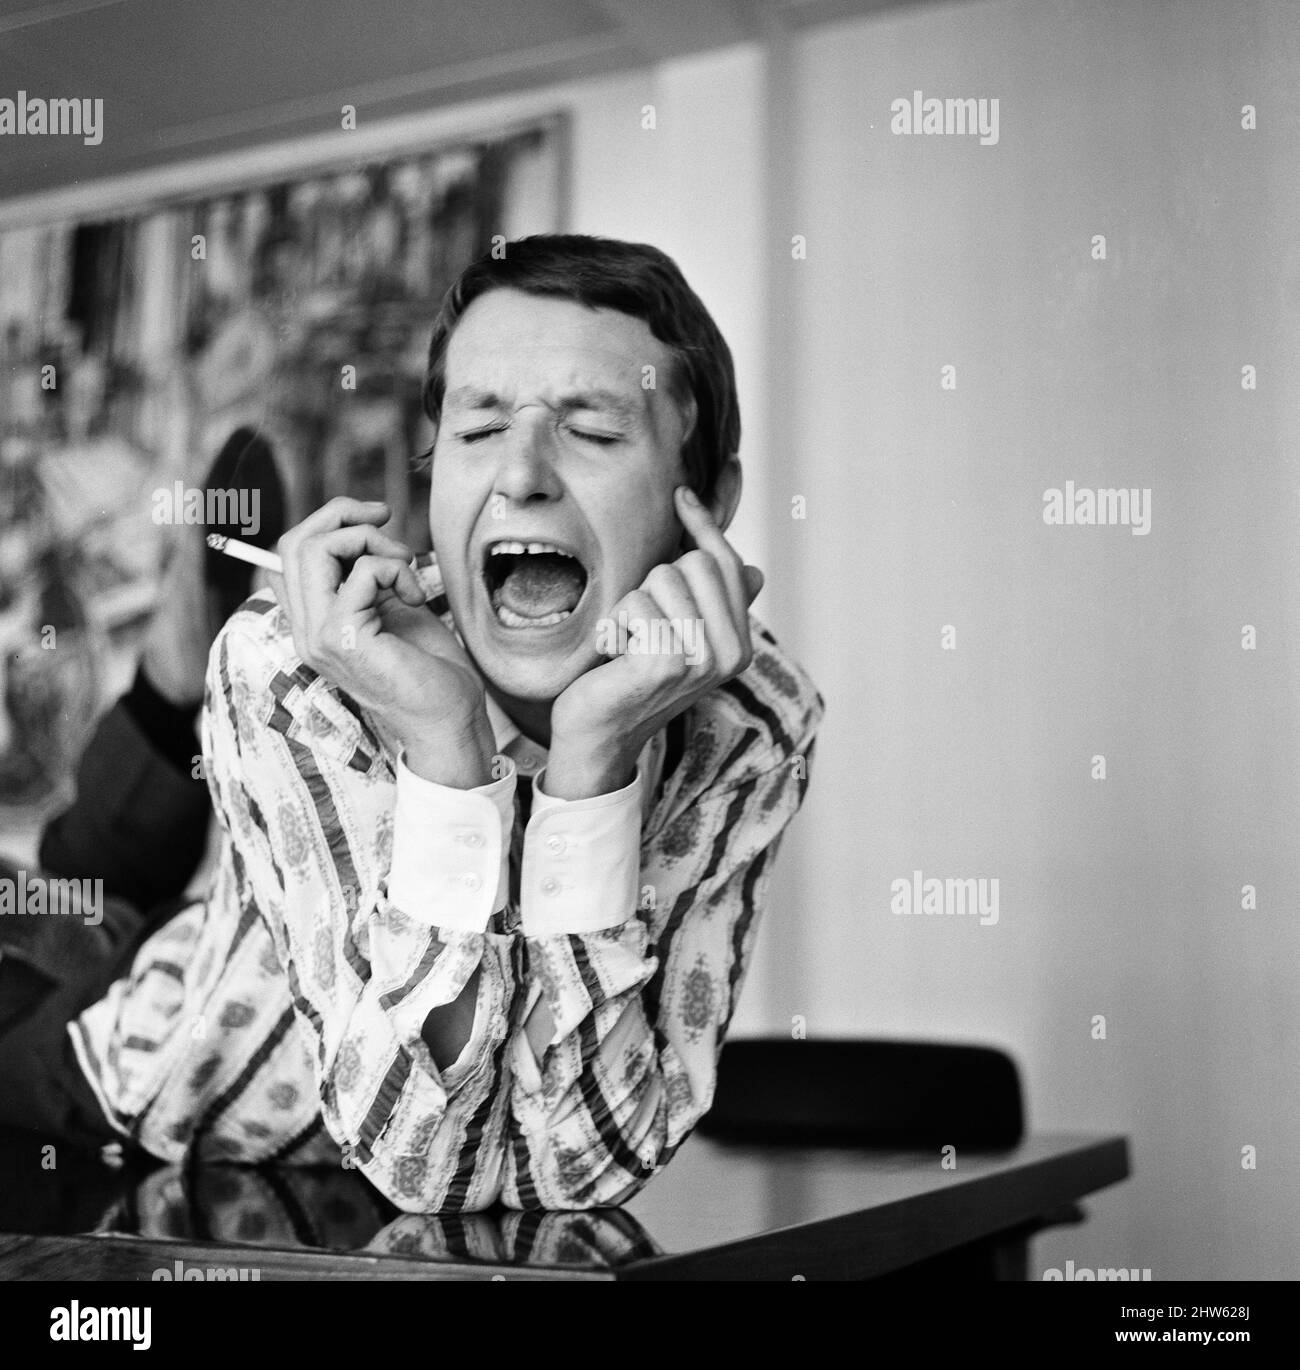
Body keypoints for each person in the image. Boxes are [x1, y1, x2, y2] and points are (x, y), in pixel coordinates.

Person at [2, 236, 822, 1213]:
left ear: (712, 508)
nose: (520, 474)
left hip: (197, 949)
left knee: (82, 903)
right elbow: (430, 1169)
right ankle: (177, 665)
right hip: (121, 1068)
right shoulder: (296, 657)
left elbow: (579, 1168)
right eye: (476, 431)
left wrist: (594, 763)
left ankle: (169, 674)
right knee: (54, 931)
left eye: (592, 431)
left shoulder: (753, 716)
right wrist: (445, 747)